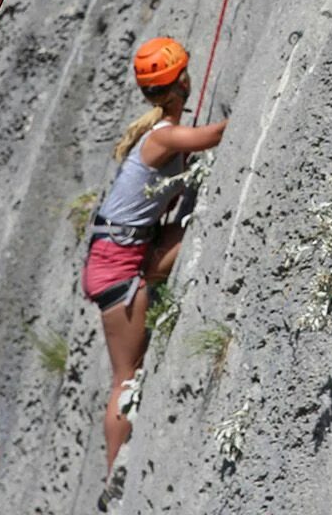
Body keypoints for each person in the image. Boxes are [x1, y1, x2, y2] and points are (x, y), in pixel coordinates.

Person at [82, 36, 226, 497]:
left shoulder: (157, 132)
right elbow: (218, 135)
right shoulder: (163, 136)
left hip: (122, 254)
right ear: (181, 81)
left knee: (195, 233)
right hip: (117, 267)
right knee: (126, 373)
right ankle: (112, 479)